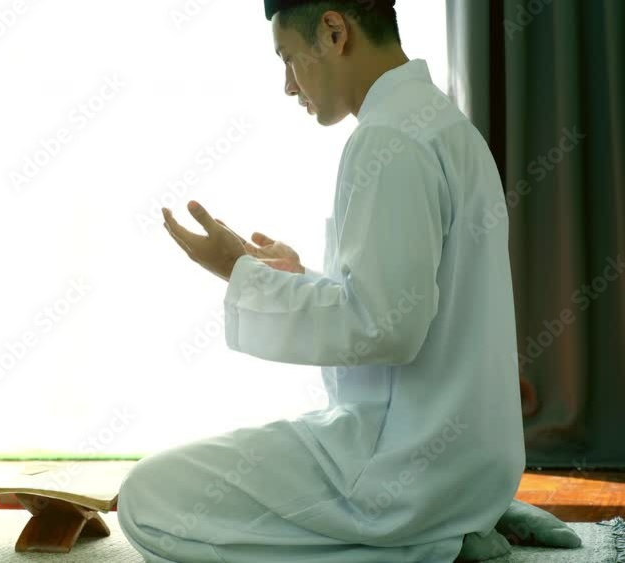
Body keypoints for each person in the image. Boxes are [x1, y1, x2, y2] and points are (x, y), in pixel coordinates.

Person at [117, 1, 581, 561]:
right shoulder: (441, 123)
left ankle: (428, 542)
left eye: (289, 58)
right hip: (463, 457)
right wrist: (304, 278)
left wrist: (235, 272)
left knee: (145, 501)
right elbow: (407, 307)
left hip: (404, 468)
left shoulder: (388, 141)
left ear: (334, 32)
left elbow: (384, 331)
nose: (289, 85)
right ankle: (461, 515)